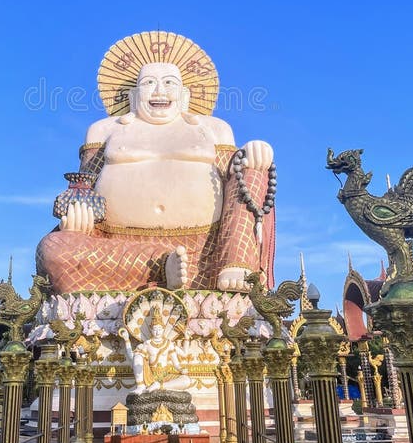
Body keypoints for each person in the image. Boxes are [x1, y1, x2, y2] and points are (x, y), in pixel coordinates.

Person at [35, 31, 275, 293]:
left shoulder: (213, 129)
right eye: (149, 82)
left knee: (253, 167)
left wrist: (254, 152)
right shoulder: (105, 130)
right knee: (52, 249)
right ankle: (161, 267)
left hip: (204, 254)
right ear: (132, 96)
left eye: (169, 83)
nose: (159, 90)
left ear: (184, 95)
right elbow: (85, 185)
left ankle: (236, 263)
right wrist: (78, 214)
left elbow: (235, 185)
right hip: (120, 252)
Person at [119, 307, 191, 394]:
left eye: (159, 329)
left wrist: (186, 339)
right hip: (150, 376)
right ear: (151, 329)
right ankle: (140, 386)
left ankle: (159, 386)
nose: (157, 332)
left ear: (164, 329)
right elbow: (132, 357)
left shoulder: (169, 344)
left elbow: (181, 358)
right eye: (155, 329)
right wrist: (127, 340)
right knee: (138, 355)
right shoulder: (147, 344)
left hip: (165, 376)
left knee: (187, 380)